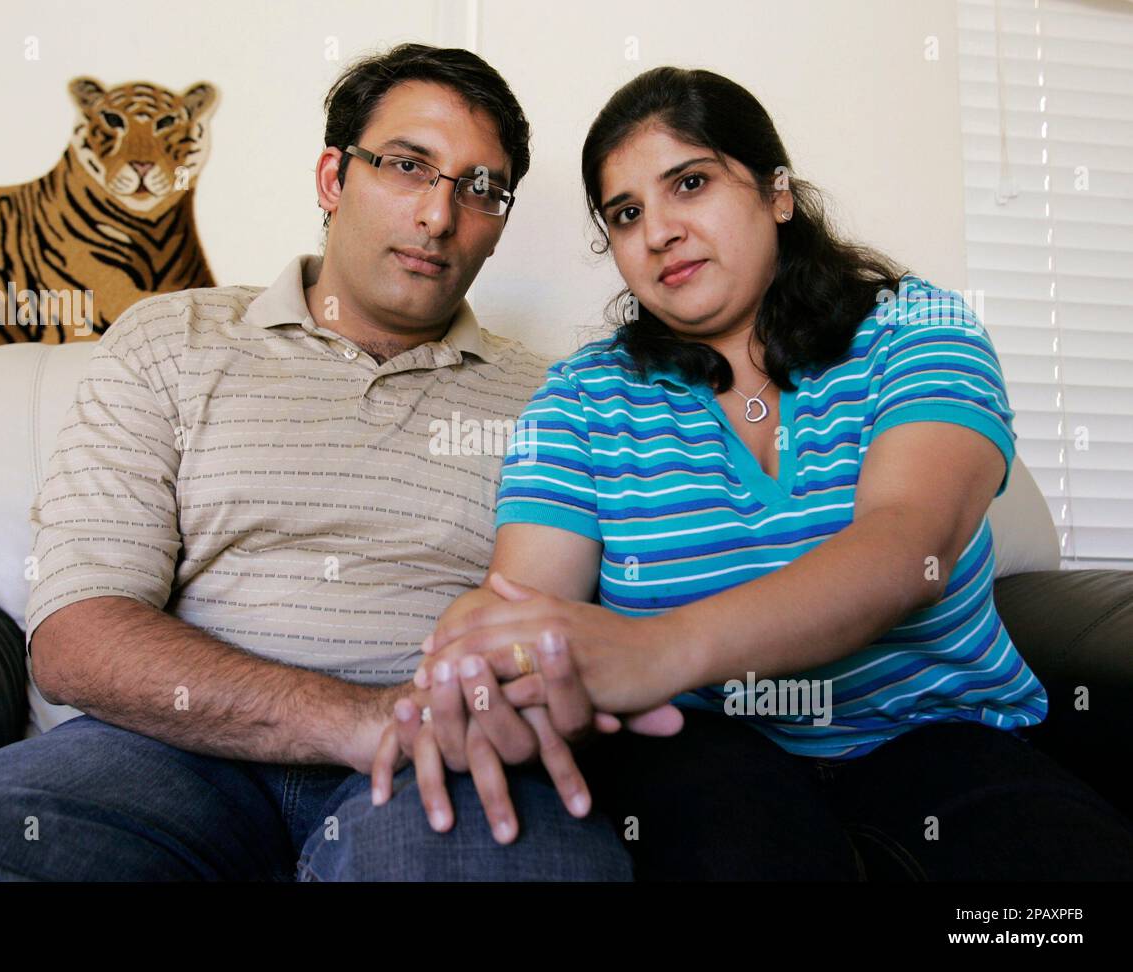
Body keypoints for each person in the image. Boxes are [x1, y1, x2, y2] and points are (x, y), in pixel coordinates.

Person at [0, 44, 661, 883]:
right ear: (333, 178)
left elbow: (581, 635)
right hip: (166, 750)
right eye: (408, 166)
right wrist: (355, 719)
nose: (439, 216)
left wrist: (520, 698)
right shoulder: (170, 340)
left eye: (480, 188)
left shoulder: (559, 398)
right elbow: (76, 638)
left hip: (436, 761)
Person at [351, 66, 1133, 880]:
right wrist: (479, 657)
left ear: (777, 193)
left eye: (690, 183)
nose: (659, 232)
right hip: (699, 750)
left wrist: (658, 649)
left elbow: (910, 548)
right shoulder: (582, 396)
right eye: (626, 214)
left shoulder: (916, 328)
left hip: (936, 736)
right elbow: (525, 599)